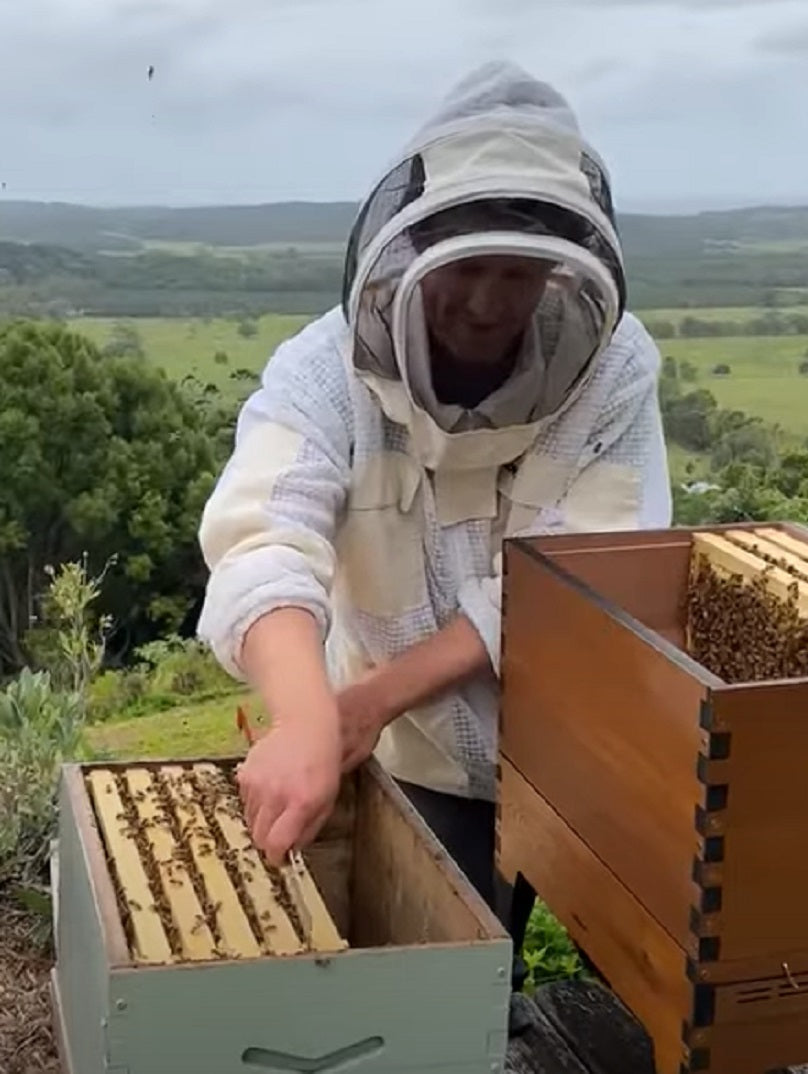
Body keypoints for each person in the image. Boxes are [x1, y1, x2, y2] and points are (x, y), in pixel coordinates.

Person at [196, 60, 673, 916]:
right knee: (448, 955)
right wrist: (309, 720)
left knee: (625, 958)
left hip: (577, 747)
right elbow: (263, 542)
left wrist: (369, 700)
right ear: (416, 245)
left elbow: (581, 571)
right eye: (467, 266)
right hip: (414, 755)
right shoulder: (323, 371)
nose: (487, 304)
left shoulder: (615, 368)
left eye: (518, 274)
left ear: (560, 270)